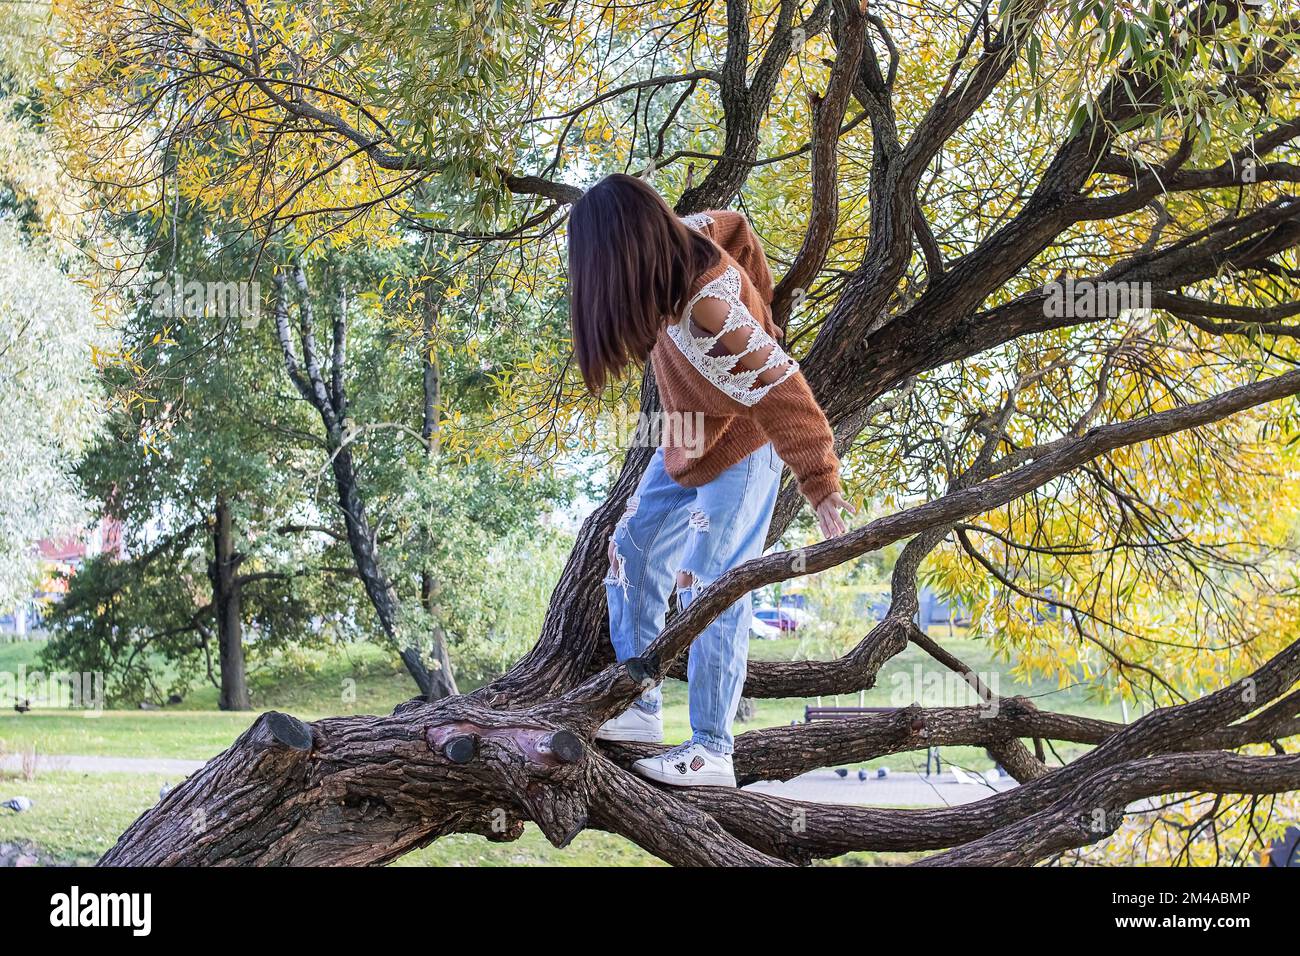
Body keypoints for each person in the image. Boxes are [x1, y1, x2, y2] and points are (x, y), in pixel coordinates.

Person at [567, 173, 851, 787]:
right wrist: (762, 298)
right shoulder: (689, 237)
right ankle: (640, 706)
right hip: (689, 437)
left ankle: (711, 750)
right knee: (633, 551)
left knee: (710, 583)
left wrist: (821, 482)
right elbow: (736, 227)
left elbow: (783, 389)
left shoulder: (713, 316)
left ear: (622, 260)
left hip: (745, 451)